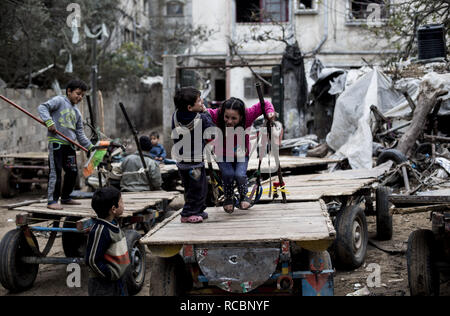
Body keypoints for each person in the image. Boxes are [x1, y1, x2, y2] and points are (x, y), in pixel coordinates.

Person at [207, 97, 276, 213]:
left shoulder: (248, 115)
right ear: (222, 113)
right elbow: (203, 112)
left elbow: (265, 103)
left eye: (234, 118)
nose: (229, 121)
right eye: (226, 117)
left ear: (242, 117)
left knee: (239, 174)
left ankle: (244, 195)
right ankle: (228, 198)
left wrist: (270, 113)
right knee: (228, 174)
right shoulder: (217, 115)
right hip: (221, 153)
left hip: (241, 153)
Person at [38, 79, 94, 210]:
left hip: (70, 146)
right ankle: (52, 200)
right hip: (57, 143)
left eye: (82, 95)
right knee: (56, 173)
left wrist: (90, 146)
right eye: (78, 93)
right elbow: (42, 107)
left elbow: (80, 133)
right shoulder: (59, 100)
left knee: (72, 172)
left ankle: (65, 197)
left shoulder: (77, 113)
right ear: (69, 91)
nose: (80, 97)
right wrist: (49, 122)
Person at [172, 86, 214, 223]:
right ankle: (187, 214)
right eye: (199, 101)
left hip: (181, 162)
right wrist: (206, 112)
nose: (202, 102)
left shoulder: (176, 115)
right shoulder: (200, 118)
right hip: (194, 163)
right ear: (190, 107)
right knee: (198, 188)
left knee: (191, 187)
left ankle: (197, 210)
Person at [85, 186, 130, 296]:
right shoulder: (100, 231)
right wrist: (109, 275)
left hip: (118, 280)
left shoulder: (113, 224)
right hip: (104, 285)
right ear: (113, 209)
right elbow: (92, 260)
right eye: (122, 201)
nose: (124, 204)